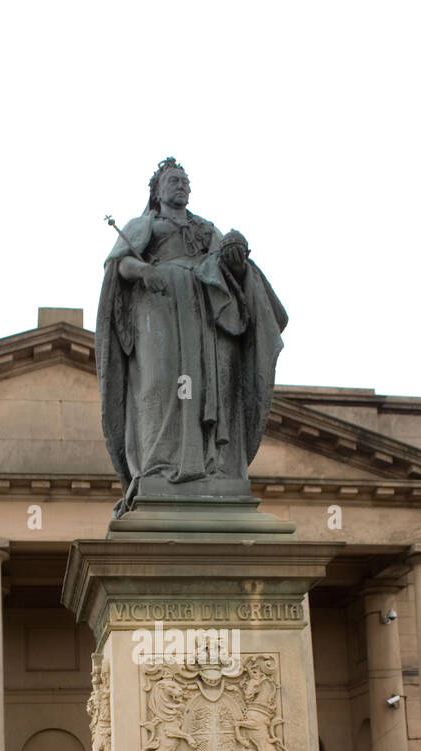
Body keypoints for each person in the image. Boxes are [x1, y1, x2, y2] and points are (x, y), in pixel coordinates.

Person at [97, 158, 287, 515]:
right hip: (158, 308)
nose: (181, 186)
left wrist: (235, 255)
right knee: (158, 384)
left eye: (184, 181)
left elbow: (231, 267)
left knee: (207, 387)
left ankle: (214, 463)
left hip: (204, 312)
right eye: (173, 181)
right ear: (157, 191)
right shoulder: (145, 225)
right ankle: (159, 466)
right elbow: (120, 264)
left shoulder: (205, 229)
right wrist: (143, 270)